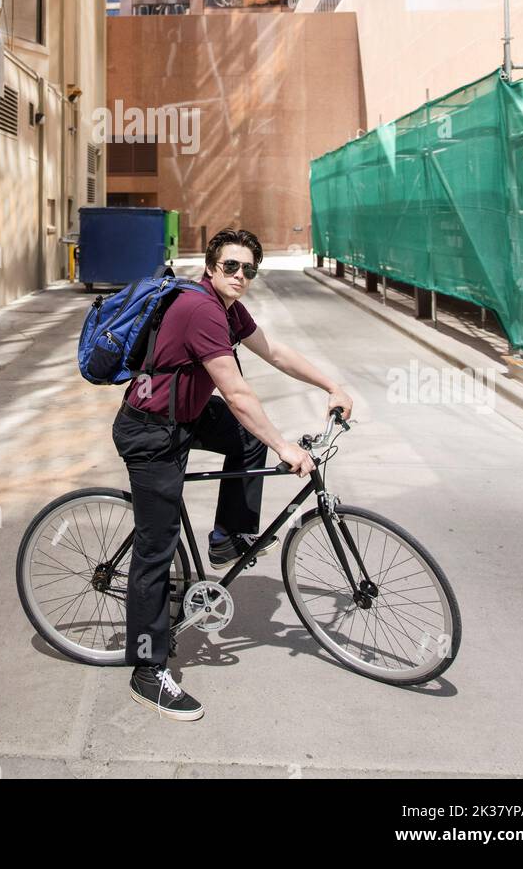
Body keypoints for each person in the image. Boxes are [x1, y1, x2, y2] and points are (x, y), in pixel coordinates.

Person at [111, 227, 353, 721]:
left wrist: (333, 384)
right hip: (151, 431)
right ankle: (147, 670)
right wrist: (284, 446)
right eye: (231, 267)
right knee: (157, 548)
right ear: (211, 267)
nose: (241, 276)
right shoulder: (201, 310)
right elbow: (239, 394)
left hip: (186, 415)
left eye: (249, 269)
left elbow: (276, 352)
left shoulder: (228, 307)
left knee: (244, 440)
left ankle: (225, 536)